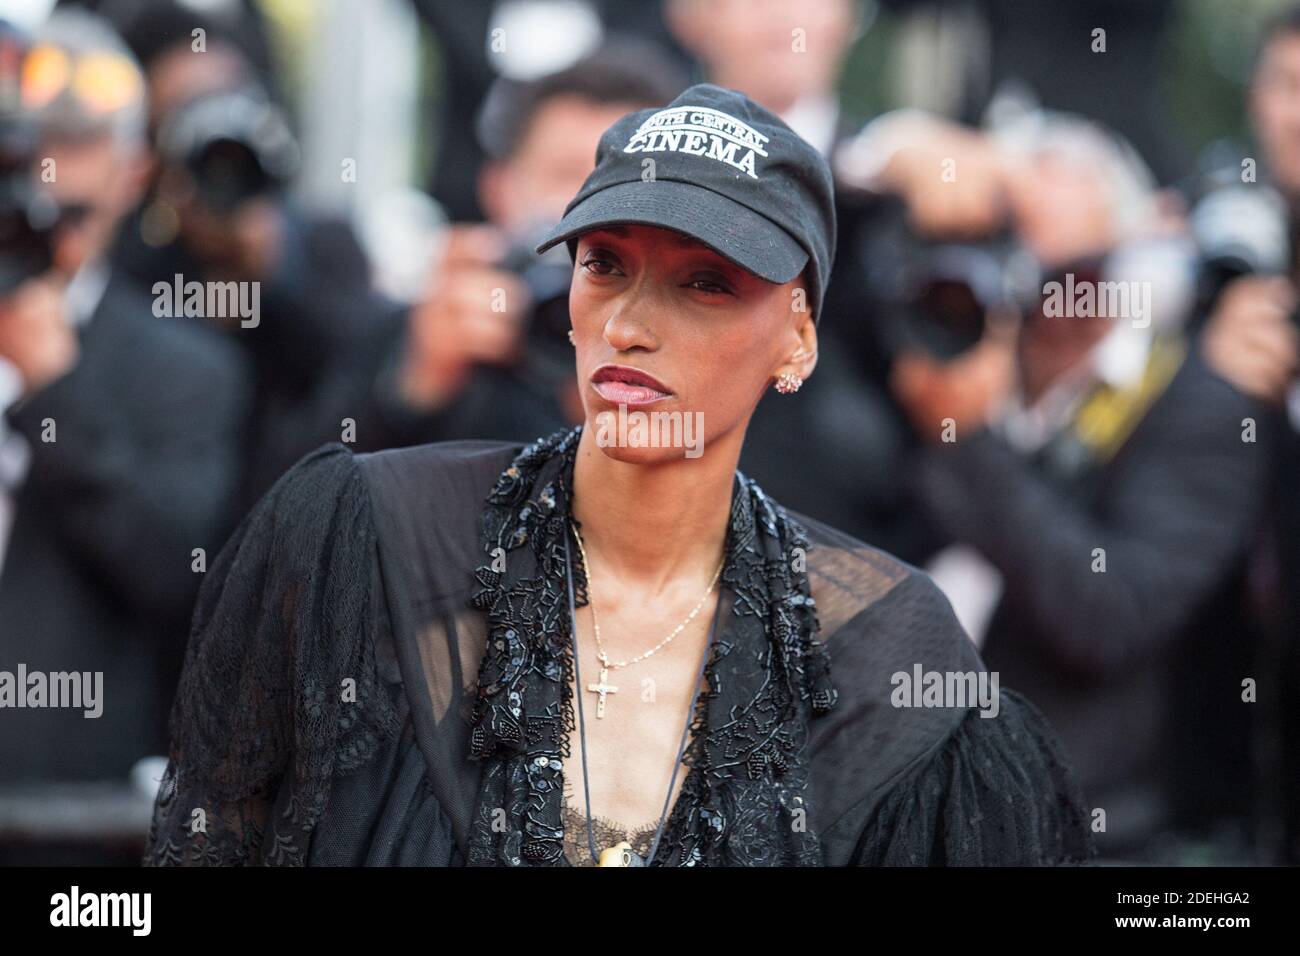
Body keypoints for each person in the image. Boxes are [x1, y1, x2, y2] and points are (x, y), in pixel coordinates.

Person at [143, 84, 1092, 867]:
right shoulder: (371, 535)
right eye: (605, 264)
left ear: (798, 335)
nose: (632, 323)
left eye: (706, 282)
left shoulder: (891, 656)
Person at [0, 11, 247, 813]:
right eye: (16, 141)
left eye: (71, 144)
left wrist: (56, 392)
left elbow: (174, 570)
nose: (39, 173)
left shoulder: (186, 369)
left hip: (69, 810)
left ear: (131, 171)